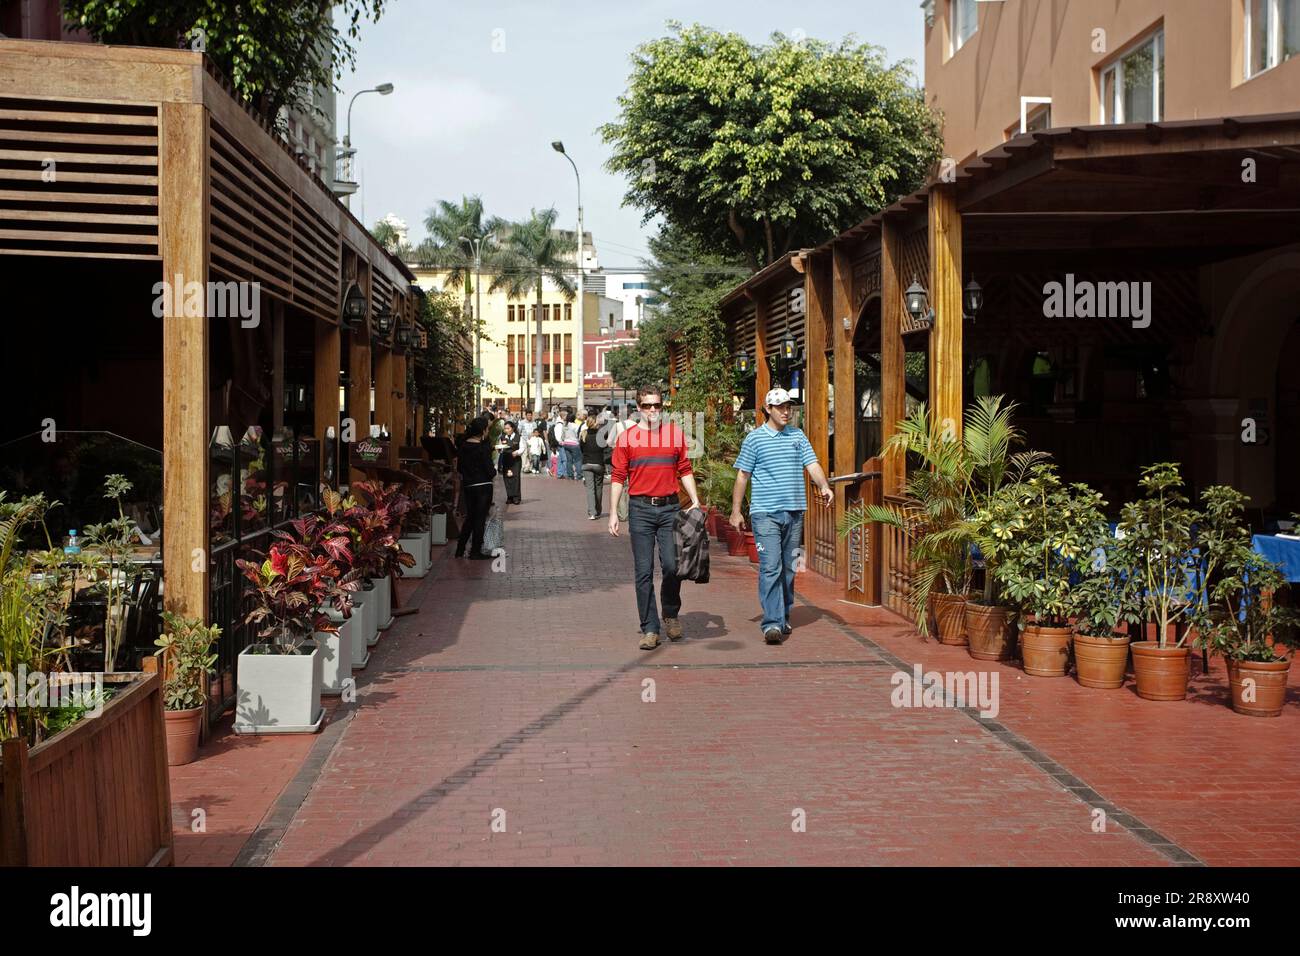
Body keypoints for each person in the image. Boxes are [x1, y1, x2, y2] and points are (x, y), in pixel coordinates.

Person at [730, 388, 834, 644]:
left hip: (795, 512)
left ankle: (783, 614)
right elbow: (743, 475)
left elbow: (812, 464)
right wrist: (735, 511)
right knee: (770, 566)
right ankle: (772, 623)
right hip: (765, 513)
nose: (786, 411)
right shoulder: (754, 439)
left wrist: (823, 485)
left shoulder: (798, 436)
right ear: (768, 409)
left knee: (788, 568)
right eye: (780, 407)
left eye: (789, 406)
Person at [609, 384, 702, 650]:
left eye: (657, 405)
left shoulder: (674, 435)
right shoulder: (627, 438)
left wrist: (694, 499)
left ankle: (670, 614)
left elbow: (684, 468)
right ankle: (650, 628)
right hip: (640, 510)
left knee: (673, 566)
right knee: (643, 571)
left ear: (662, 407)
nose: (652, 410)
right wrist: (614, 511)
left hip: (670, 507)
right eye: (647, 405)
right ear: (638, 408)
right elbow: (618, 477)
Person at [455, 416, 496, 560]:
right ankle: (475, 551)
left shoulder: (463, 446)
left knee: (470, 518)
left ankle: (460, 549)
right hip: (483, 487)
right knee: (479, 519)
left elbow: (459, 468)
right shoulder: (482, 448)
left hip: (468, 486)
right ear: (483, 430)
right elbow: (491, 471)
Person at [578, 412, 606, 520]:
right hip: (598, 463)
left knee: (590, 489)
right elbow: (605, 448)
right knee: (598, 487)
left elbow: (581, 449)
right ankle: (598, 510)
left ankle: (592, 512)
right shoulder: (601, 435)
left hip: (586, 463)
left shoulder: (583, 434)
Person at [497, 420, 522, 505]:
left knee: (515, 477)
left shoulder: (519, 437)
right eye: (505, 429)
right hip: (506, 459)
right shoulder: (503, 437)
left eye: (508, 428)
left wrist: (517, 452)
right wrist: (499, 450)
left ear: (513, 428)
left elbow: (523, 447)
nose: (506, 430)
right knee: (507, 478)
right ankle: (509, 497)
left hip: (516, 460)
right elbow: (500, 448)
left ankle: (516, 497)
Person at [562, 411, 582, 480]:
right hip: (574, 443)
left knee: (569, 460)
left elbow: (563, 435)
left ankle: (570, 475)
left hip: (566, 443)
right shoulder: (576, 426)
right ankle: (579, 475)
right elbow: (578, 435)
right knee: (577, 460)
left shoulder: (565, 425)